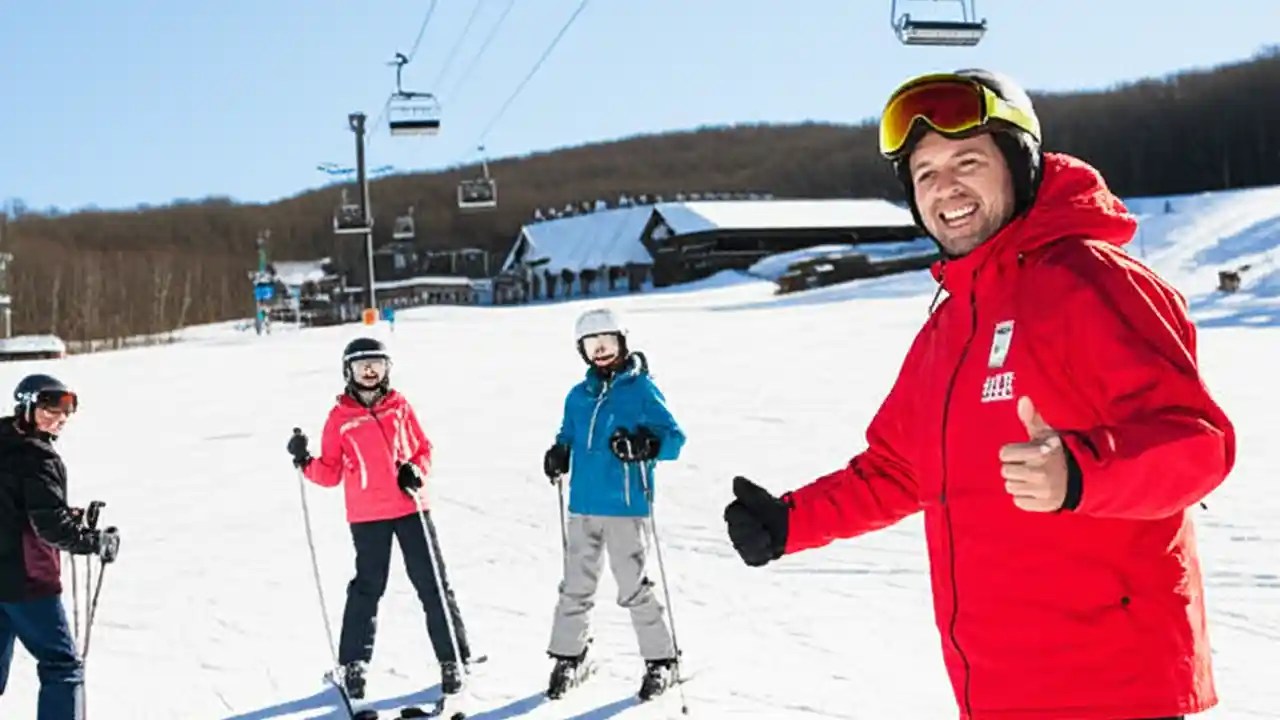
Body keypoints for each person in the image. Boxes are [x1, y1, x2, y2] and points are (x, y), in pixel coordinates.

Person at [722, 68, 1236, 720]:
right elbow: (897, 469)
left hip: (1112, 689)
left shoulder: (1086, 279)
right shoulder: (951, 324)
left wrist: (1078, 472)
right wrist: (790, 521)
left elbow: (1197, 442)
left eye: (968, 161)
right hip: (997, 690)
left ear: (1020, 167)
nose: (946, 188)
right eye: (926, 173)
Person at [288, 337, 472, 701]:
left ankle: (453, 658)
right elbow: (329, 473)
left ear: (388, 369)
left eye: (377, 364)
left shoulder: (399, 406)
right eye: (361, 366)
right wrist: (304, 460)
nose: (370, 372)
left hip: (411, 507)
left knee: (433, 583)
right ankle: (353, 664)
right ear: (348, 372)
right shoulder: (339, 419)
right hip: (367, 515)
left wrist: (414, 471)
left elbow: (423, 448)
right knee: (367, 588)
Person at [541, 308, 686, 702]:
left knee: (633, 587)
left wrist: (647, 445)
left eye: (607, 343)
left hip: (626, 506)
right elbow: (567, 434)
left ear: (623, 343)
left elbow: (674, 438)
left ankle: (662, 661)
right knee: (575, 586)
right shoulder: (577, 396)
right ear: (582, 351)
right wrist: (559, 452)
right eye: (592, 345)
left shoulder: (641, 390)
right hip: (583, 506)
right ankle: (570, 656)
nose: (600, 351)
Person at [0, 374, 115, 720]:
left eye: (66, 410)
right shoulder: (39, 459)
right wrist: (93, 541)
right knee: (62, 666)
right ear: (28, 405)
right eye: (51, 407)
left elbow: (18, 507)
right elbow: (49, 527)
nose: (60, 417)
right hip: (27, 583)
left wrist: (62, 514)